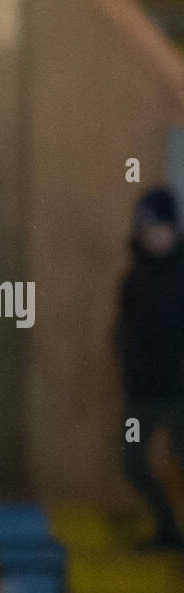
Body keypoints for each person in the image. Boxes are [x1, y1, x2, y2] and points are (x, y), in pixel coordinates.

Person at [115, 187, 184, 549]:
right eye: (148, 230)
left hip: (178, 397)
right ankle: (167, 528)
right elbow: (123, 330)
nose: (155, 237)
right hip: (140, 397)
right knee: (132, 462)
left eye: (161, 228)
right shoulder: (133, 279)